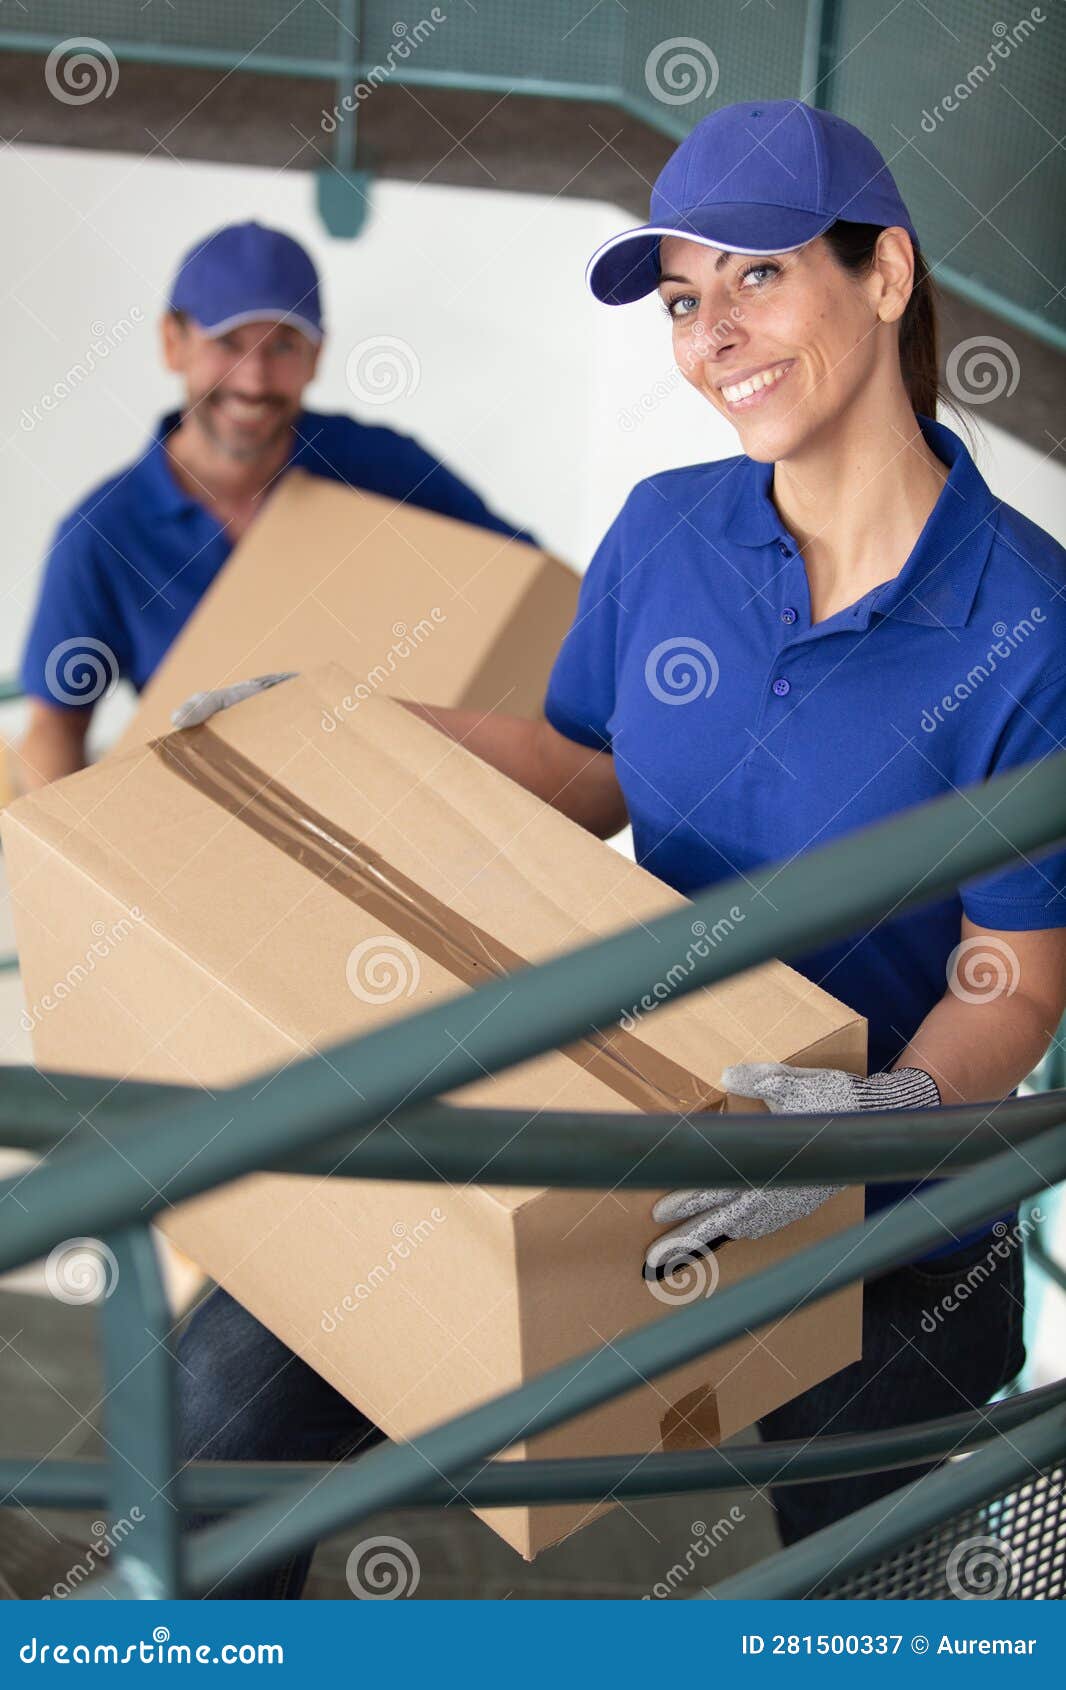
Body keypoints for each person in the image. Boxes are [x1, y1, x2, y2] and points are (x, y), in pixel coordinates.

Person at [173, 101, 1066, 1593]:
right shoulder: (666, 532)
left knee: (863, 1569)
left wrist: (882, 1117)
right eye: (680, 300)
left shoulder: (1027, 622)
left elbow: (1017, 980)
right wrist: (337, 722)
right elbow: (584, 767)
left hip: (876, 1206)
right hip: (625, 1098)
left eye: (757, 275)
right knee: (220, 1396)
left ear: (887, 275)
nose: (711, 331)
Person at [13, 221, 534, 792]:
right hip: (214, 822)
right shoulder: (102, 535)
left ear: (317, 355)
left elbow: (527, 592)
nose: (254, 380)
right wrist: (62, 860)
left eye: (283, 345)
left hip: (394, 793)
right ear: (172, 342)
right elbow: (55, 725)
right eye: (227, 344)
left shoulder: (384, 468)